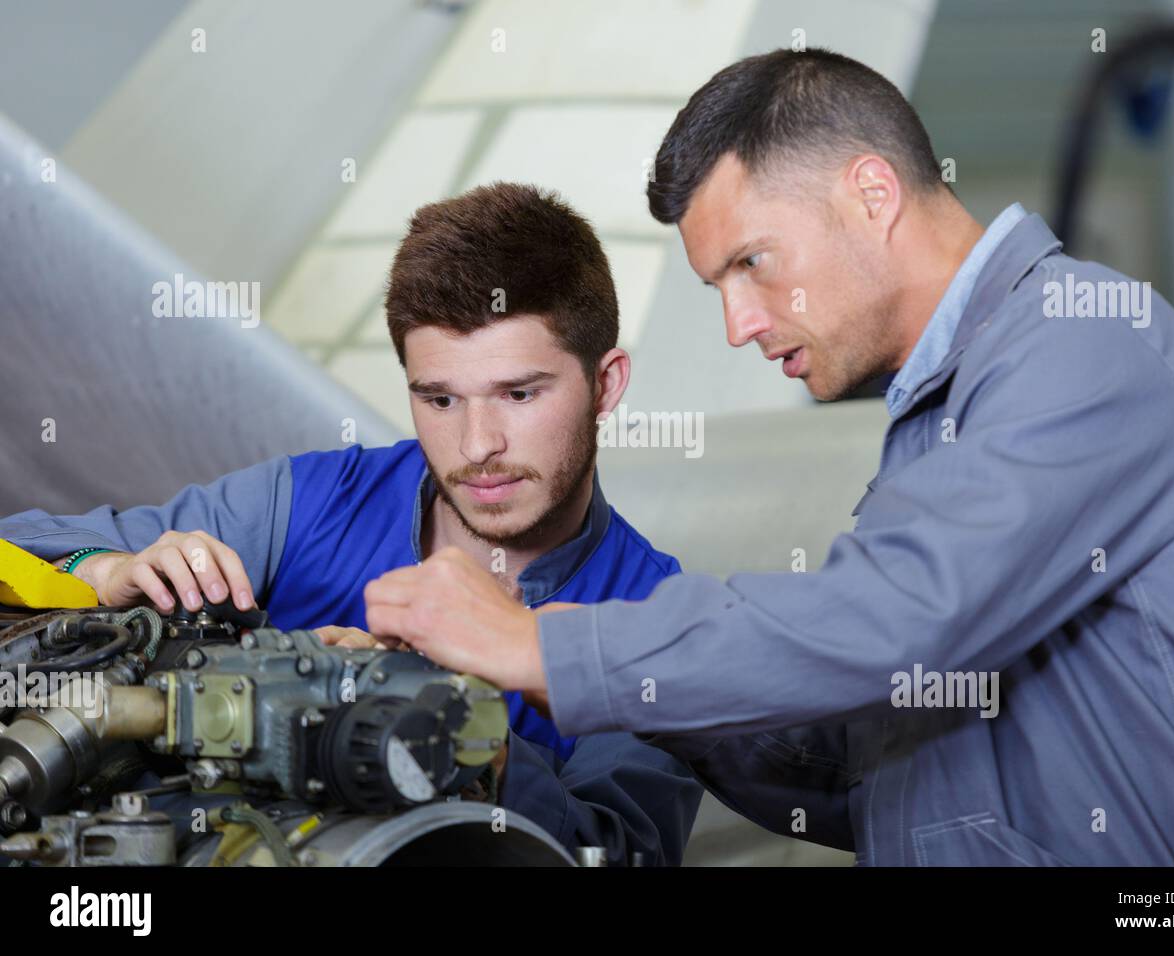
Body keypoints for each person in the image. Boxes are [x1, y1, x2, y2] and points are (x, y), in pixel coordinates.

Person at [362, 50, 1174, 866]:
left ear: (870, 194)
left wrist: (551, 647)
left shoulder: (1082, 342)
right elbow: (862, 777)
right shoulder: (940, 416)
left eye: (751, 264)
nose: (738, 324)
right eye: (717, 286)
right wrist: (603, 679)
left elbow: (897, 620)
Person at [0, 182, 702, 866]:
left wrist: (453, 727)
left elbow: (618, 848)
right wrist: (101, 570)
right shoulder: (309, 501)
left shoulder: (657, 618)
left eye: (518, 394)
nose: (478, 444)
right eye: (439, 398)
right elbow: (21, 547)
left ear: (606, 384)